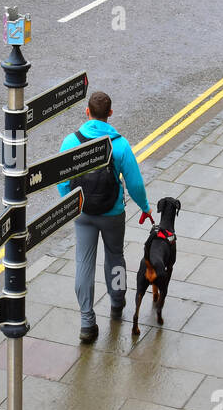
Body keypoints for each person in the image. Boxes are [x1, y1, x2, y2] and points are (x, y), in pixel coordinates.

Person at [58, 91, 152, 343]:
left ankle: (87, 323)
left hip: (83, 213)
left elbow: (61, 181)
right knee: (115, 257)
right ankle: (118, 302)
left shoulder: (70, 142)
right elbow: (135, 184)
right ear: (110, 114)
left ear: (87, 112)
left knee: (84, 264)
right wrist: (145, 208)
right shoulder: (119, 145)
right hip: (112, 214)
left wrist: (71, 204)